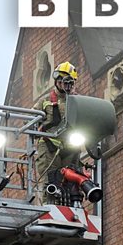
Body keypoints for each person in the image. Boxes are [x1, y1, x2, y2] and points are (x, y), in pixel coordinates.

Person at [33, 61, 80, 204]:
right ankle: (50, 207)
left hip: (70, 147)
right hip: (49, 147)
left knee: (72, 179)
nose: (66, 86)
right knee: (51, 180)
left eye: (70, 83)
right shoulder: (45, 101)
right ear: (57, 81)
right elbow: (29, 120)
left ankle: (72, 206)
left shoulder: (78, 101)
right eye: (63, 81)